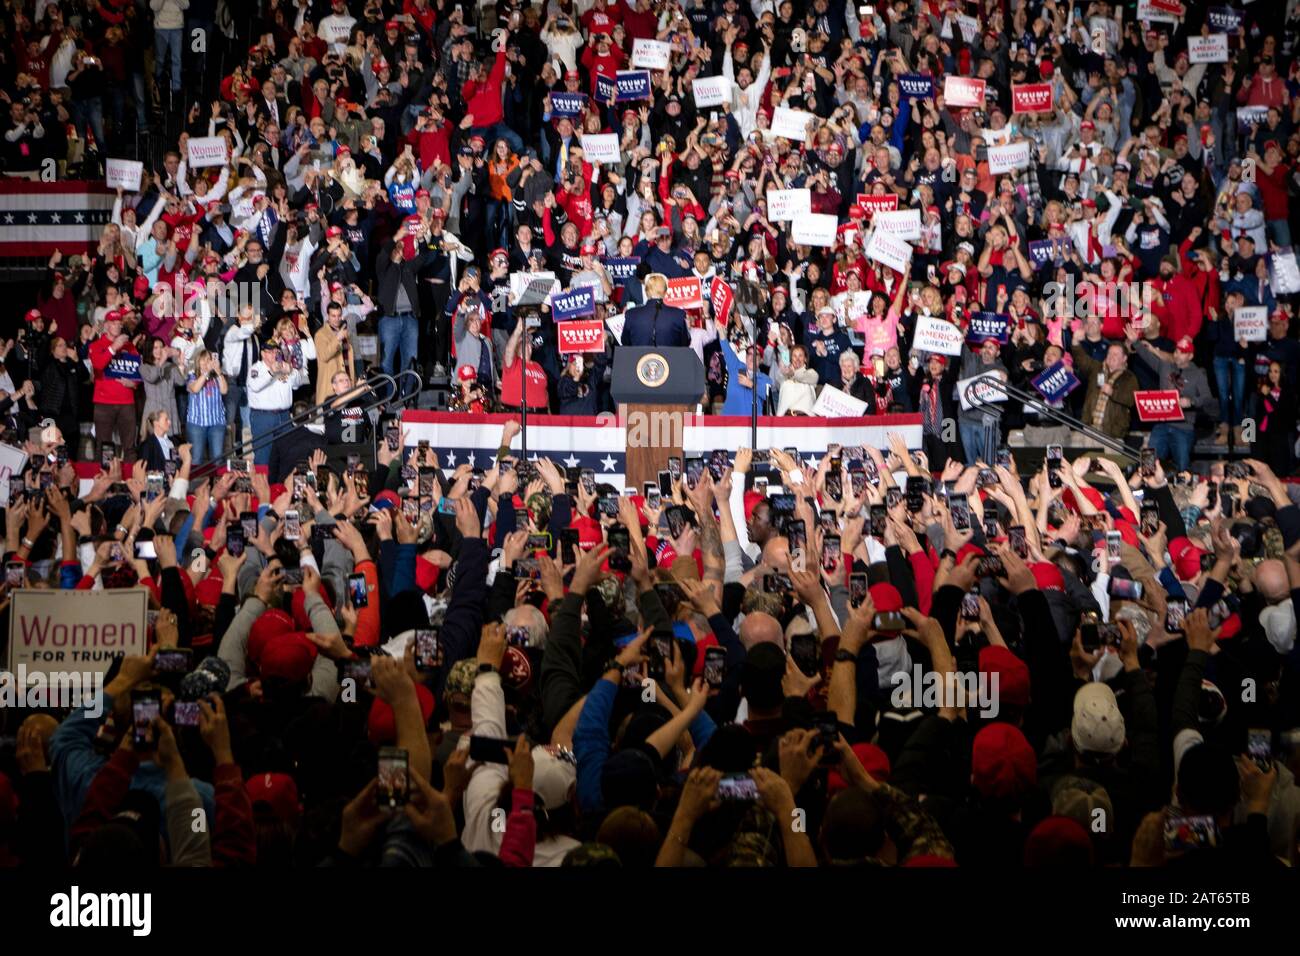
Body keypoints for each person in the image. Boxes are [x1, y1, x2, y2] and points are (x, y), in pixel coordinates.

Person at [88, 310, 141, 464]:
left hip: (127, 402)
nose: (117, 326)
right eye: (113, 323)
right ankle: (105, 482)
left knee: (130, 447)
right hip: (104, 402)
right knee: (104, 447)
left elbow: (138, 371)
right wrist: (113, 347)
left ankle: (132, 482)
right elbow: (98, 365)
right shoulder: (96, 345)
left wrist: (134, 383)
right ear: (106, 325)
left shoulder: (130, 346)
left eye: (119, 323)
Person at [186, 349, 228, 468]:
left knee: (218, 459)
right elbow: (195, 388)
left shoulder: (216, 377)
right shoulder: (192, 376)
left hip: (216, 422)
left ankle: (216, 484)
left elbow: (224, 390)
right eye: (202, 360)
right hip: (196, 424)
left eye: (208, 360)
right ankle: (197, 485)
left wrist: (218, 372)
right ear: (197, 362)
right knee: (196, 459)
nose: (205, 363)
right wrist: (206, 373)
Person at [622, 273, 690, 348]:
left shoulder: (631, 314)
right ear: (665, 292)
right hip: (671, 359)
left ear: (646, 291)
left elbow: (625, 342)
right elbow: (685, 343)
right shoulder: (678, 315)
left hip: (638, 359)